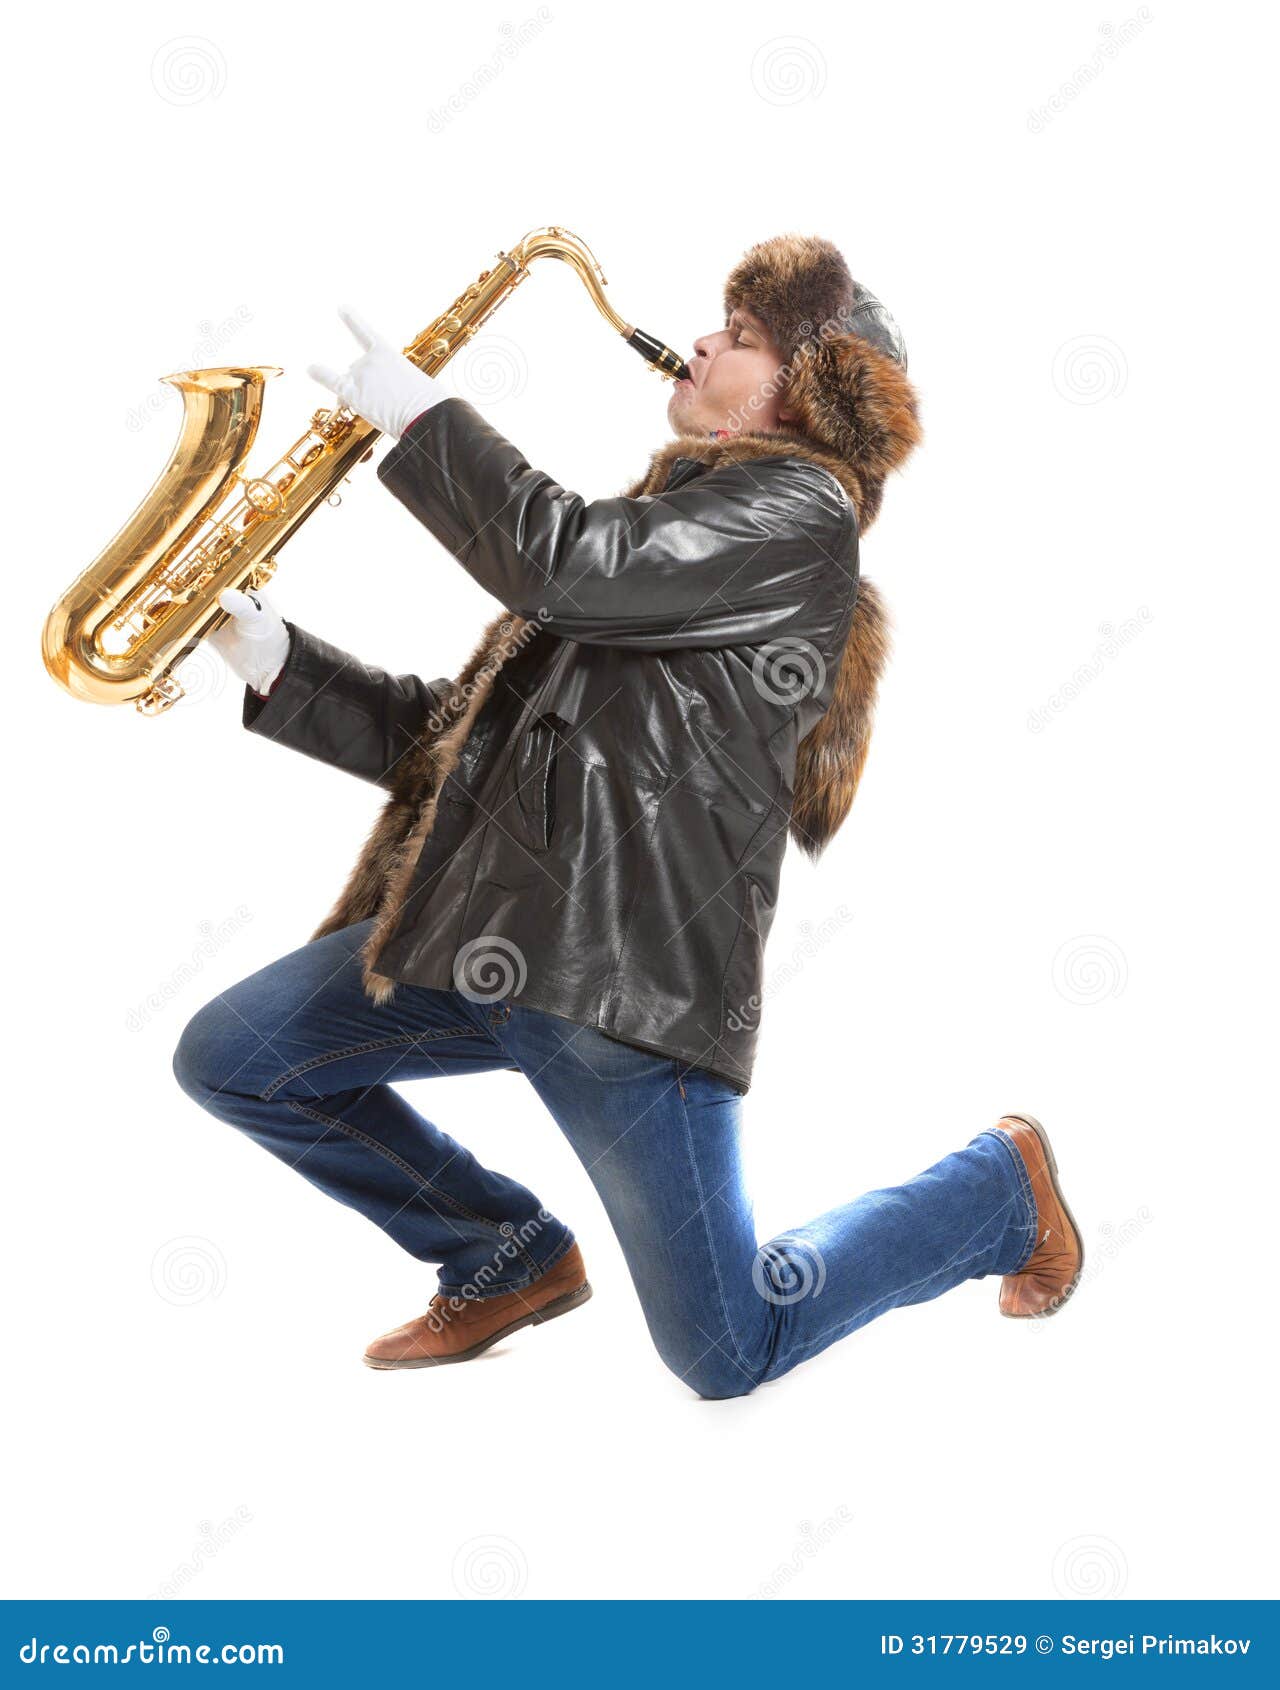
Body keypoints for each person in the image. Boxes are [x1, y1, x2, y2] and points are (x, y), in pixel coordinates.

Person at [173, 235, 1082, 1398]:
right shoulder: (674, 537)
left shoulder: (800, 510)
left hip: (619, 989)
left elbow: (563, 563)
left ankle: (995, 1187)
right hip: (483, 936)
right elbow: (457, 745)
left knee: (724, 1348)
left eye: (742, 336)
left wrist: (424, 421)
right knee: (235, 1055)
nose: (702, 340)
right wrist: (274, 662)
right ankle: (499, 1250)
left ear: (808, 396)